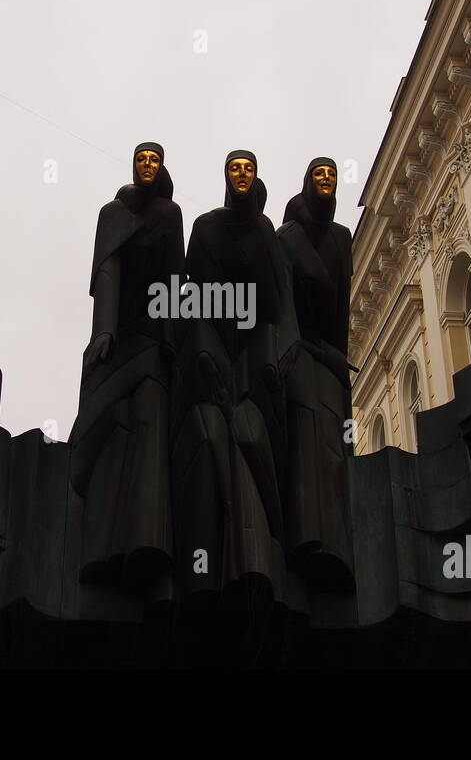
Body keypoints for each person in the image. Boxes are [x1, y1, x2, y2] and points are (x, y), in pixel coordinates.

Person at [171, 150, 298, 615]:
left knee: (251, 430)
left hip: (255, 355)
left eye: (248, 168)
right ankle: (215, 566)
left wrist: (275, 355)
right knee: (212, 433)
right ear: (225, 177)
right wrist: (203, 349)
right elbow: (191, 296)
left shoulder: (266, 233)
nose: (241, 175)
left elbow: (280, 303)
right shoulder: (204, 228)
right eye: (234, 168)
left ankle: (262, 553)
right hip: (215, 349)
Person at [69, 142, 183, 592]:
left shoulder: (171, 215)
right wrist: (104, 331)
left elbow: (176, 275)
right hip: (117, 341)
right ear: (134, 167)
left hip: (154, 340)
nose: (148, 165)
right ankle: (101, 547)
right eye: (141, 159)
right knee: (111, 429)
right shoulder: (112, 214)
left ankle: (146, 542)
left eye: (154, 159)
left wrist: (172, 336)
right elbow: (107, 273)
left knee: (149, 428)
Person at [277, 157, 355, 592]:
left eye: (332, 175)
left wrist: (340, 357)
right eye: (318, 175)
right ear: (306, 183)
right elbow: (281, 300)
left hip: (330, 357)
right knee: (311, 435)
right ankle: (309, 537)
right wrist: (289, 347)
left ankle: (340, 542)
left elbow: (341, 302)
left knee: (338, 440)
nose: (326, 181)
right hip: (300, 351)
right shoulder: (286, 237)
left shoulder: (343, 238)